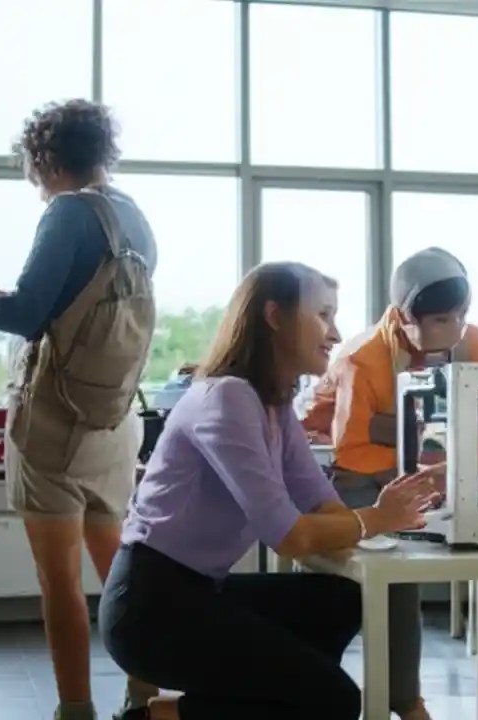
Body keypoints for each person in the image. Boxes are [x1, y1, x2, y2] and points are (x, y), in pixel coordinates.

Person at [0, 99, 159, 720]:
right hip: (114, 422)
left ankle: (74, 709)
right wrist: (1, 298)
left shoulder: (67, 213)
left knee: (60, 582)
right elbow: (71, 306)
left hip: (54, 425)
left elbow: (24, 314)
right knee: (118, 575)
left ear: (44, 160)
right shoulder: (131, 215)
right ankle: (145, 691)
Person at [99, 262, 440, 720]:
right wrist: (379, 517)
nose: (335, 334)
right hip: (149, 609)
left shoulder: (273, 407)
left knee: (338, 603)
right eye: (323, 315)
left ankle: (270, 700)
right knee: (333, 699)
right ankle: (155, 718)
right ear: (274, 316)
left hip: (196, 591)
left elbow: (324, 505)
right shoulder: (228, 397)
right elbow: (290, 536)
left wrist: (379, 515)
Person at [300, 246, 478, 720]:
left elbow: (476, 423)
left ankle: (402, 695)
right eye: (440, 319)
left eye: (461, 315)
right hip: (346, 471)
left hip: (415, 464)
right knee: (383, 573)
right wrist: (419, 466)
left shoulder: (471, 344)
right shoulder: (362, 358)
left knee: (417, 560)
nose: (453, 329)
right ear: (403, 316)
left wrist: (450, 463)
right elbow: (352, 448)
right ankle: (370, 696)